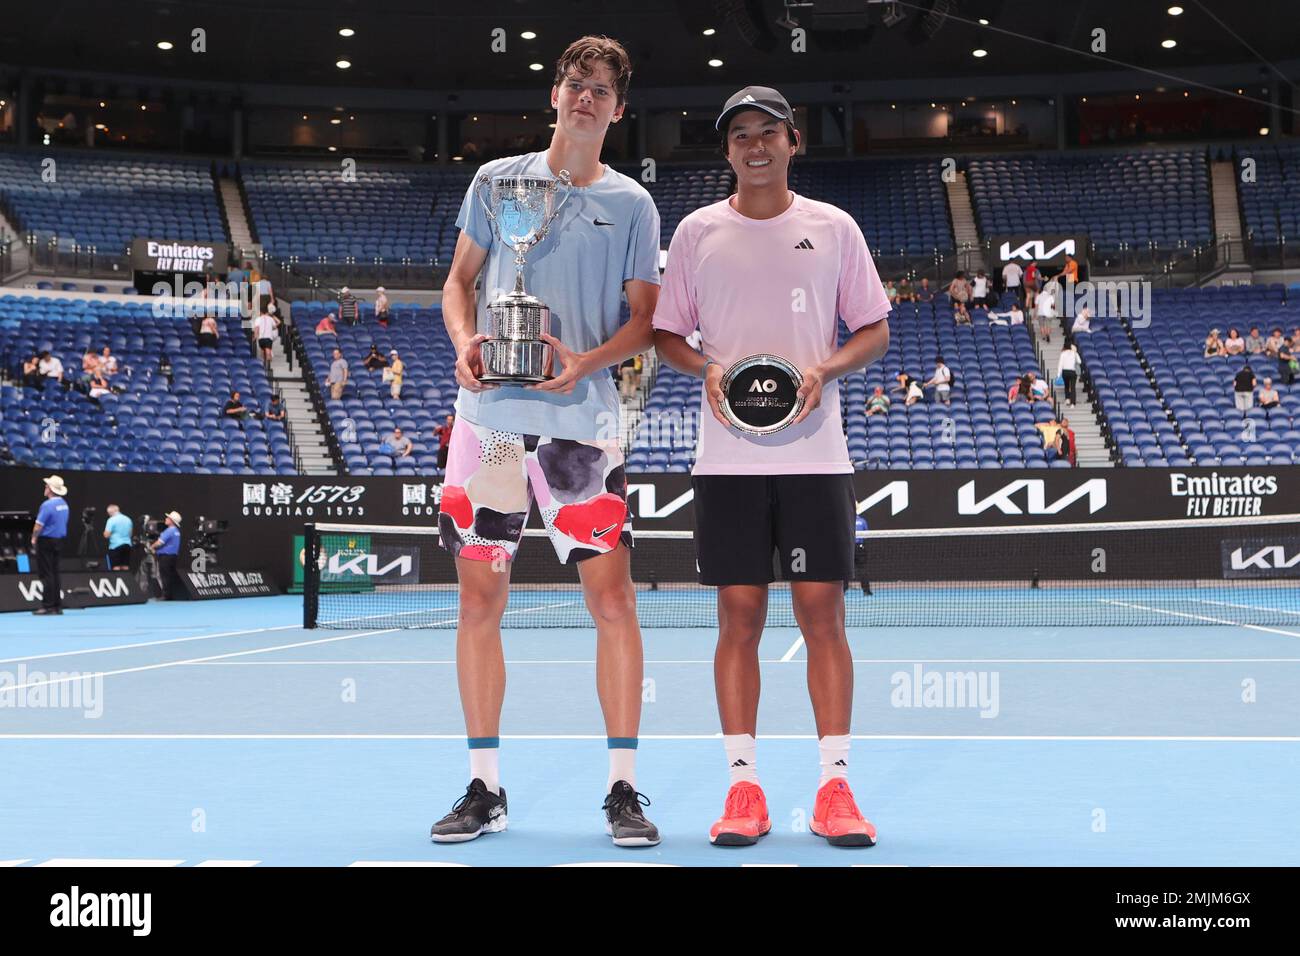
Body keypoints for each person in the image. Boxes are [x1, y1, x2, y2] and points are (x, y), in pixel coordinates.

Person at [432, 35, 662, 848]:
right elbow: (459, 284)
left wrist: (584, 363)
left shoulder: (633, 204)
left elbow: (645, 322)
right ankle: (484, 787)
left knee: (613, 602)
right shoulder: (497, 184)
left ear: (619, 109)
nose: (586, 97)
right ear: (555, 95)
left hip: (582, 428)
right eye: (575, 82)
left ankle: (624, 789)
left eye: (602, 88)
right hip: (488, 421)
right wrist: (465, 340)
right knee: (477, 600)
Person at [653, 83, 889, 849]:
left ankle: (834, 787)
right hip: (726, 462)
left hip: (817, 455)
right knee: (739, 618)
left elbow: (874, 331)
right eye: (739, 135)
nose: (754, 146)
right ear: (727, 150)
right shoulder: (694, 232)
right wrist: (707, 372)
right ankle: (744, 788)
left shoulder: (834, 227)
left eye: (769, 132)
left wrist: (826, 368)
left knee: (823, 615)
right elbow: (666, 336)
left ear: (794, 141)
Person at [30, 475, 69, 615]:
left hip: (46, 540)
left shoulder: (47, 505)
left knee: (46, 574)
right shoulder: (64, 504)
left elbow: (38, 525)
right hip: (59, 541)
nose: (45, 488)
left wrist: (34, 538)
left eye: (47, 486)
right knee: (55, 572)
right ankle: (57, 606)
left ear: (51, 489)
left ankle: (47, 606)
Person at [151, 511, 183, 600]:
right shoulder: (176, 531)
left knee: (164, 576)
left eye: (168, 518)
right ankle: (170, 594)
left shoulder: (169, 530)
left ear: (172, 521)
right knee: (170, 575)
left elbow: (159, 542)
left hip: (165, 556)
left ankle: (166, 596)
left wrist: (151, 547)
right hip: (173, 556)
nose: (166, 519)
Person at [103, 503, 133, 571]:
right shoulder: (128, 519)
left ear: (110, 512)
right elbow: (130, 534)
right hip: (127, 545)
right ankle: (126, 581)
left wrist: (105, 534)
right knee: (125, 566)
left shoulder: (111, 520)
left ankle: (116, 581)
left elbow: (106, 535)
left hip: (115, 546)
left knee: (116, 566)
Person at [1057, 342, 1080, 406]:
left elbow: (1060, 364)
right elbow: (1079, 361)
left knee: (1066, 386)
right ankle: (1073, 403)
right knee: (1073, 387)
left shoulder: (1063, 353)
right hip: (1072, 372)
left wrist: (1058, 374)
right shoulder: (1074, 353)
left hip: (1065, 372)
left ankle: (1067, 399)